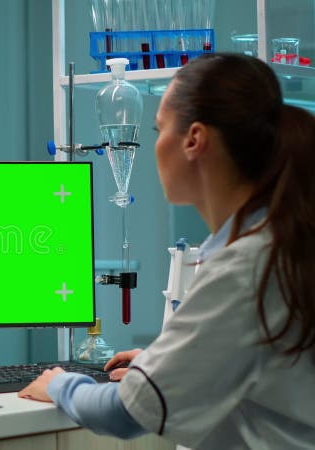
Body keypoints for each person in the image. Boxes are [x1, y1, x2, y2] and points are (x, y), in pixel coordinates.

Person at [18, 53, 315, 449]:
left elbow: (124, 413)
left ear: (194, 140)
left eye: (158, 129)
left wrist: (59, 384)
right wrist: (163, 365)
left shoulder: (244, 268)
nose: (153, 146)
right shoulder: (275, 244)